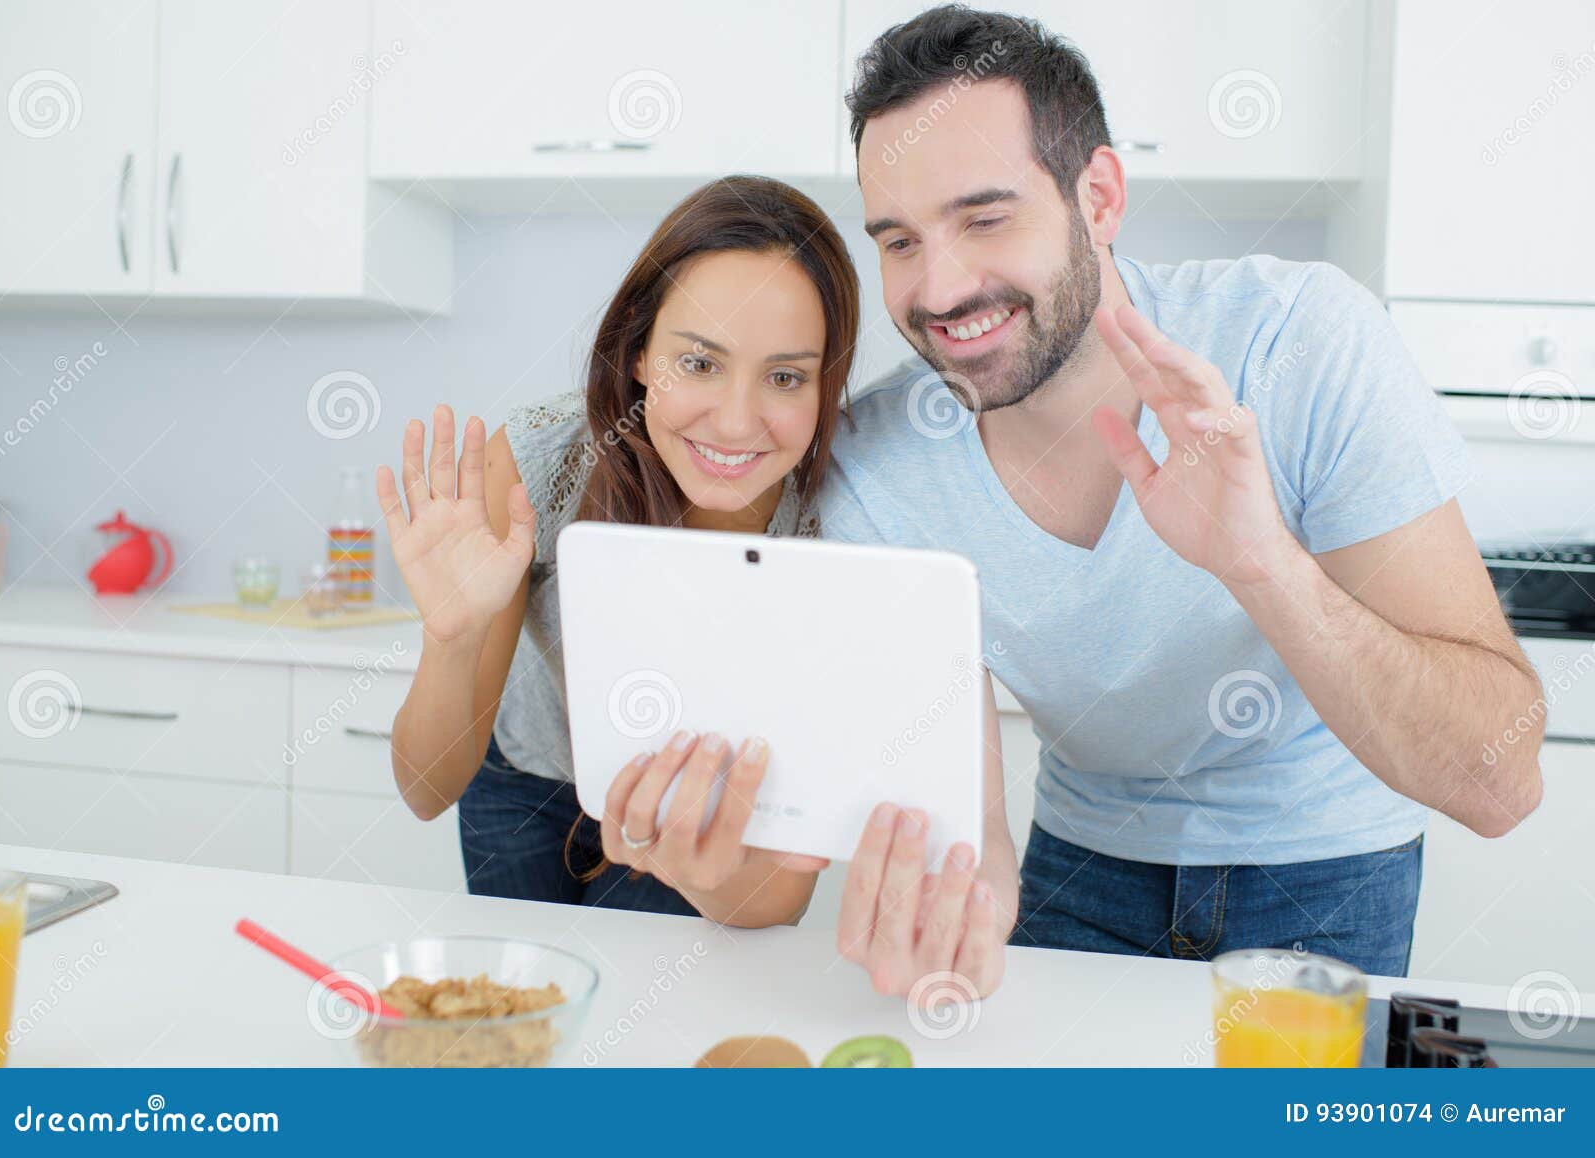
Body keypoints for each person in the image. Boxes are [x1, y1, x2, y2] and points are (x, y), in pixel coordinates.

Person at [821, 4, 1545, 978]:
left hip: (1324, 872)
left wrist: (1261, 565)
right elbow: (975, 834)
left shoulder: (1299, 341)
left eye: (984, 218)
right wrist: (954, 925)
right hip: (1080, 874)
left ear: (1101, 198)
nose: (939, 287)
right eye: (899, 240)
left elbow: (1499, 785)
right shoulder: (880, 464)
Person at [379, 175, 1016, 1000]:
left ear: (827, 383)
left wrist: (697, 870)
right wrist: (451, 638)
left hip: (700, 812)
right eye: (699, 362)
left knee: (646, 1027)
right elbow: (427, 790)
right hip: (527, 784)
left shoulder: (835, 528)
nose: (736, 420)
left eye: (786, 378)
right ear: (640, 352)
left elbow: (775, 901)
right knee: (526, 1022)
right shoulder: (541, 466)